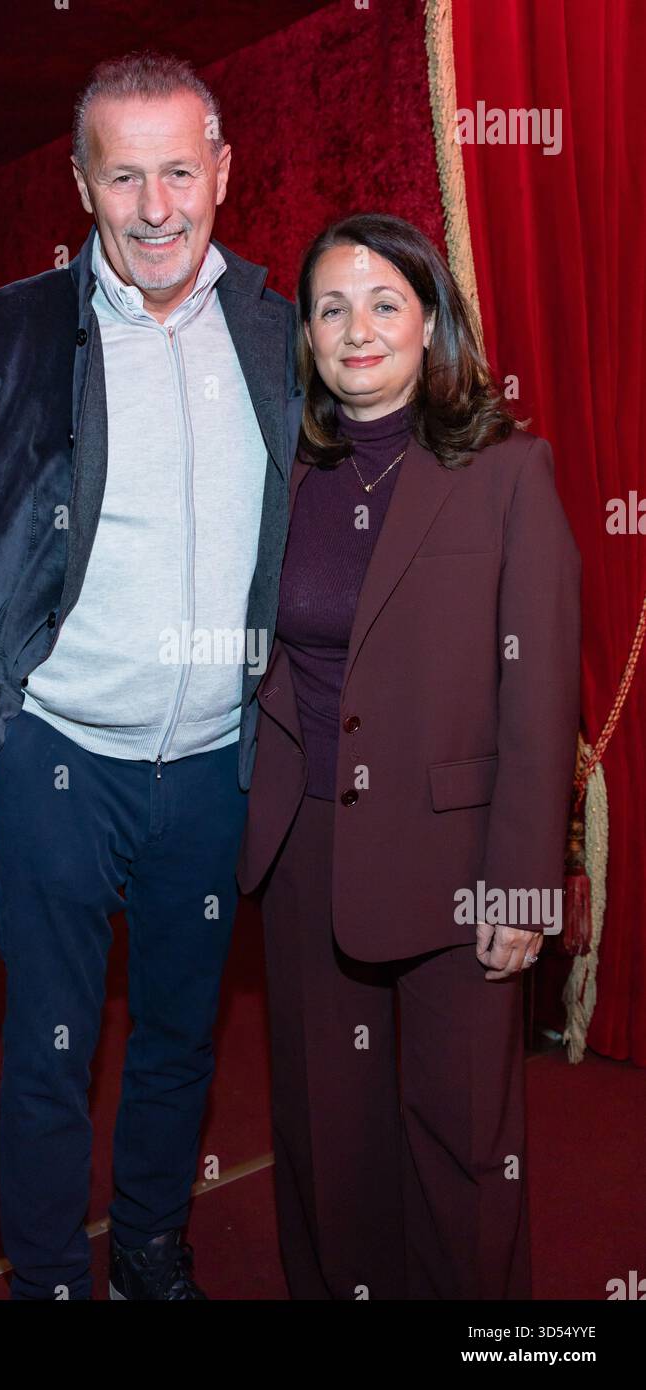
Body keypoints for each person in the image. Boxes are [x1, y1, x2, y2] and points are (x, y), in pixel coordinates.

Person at [0, 49, 303, 1301]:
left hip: (214, 769)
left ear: (220, 170)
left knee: (176, 1041)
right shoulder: (3, 334)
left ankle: (152, 1250)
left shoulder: (278, 333)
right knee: (51, 1053)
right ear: (80, 184)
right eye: (122, 176)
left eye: (177, 169)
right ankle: (49, 1278)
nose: (155, 207)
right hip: (55, 762)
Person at [237, 213, 581, 1300]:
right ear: (307, 336)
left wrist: (524, 882)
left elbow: (537, 694)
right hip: (306, 854)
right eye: (330, 308)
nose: (355, 328)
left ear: (429, 322)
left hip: (459, 859)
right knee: (325, 1140)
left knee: (460, 1144)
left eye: (383, 302)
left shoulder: (506, 471)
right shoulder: (277, 475)